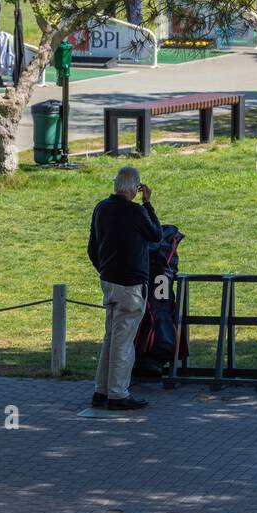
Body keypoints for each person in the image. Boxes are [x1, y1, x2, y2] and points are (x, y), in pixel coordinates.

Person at [87, 166, 162, 411]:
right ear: (135, 188)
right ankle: (117, 394)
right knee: (123, 341)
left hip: (108, 281)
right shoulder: (136, 212)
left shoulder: (101, 208)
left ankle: (101, 389)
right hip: (130, 284)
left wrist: (105, 270)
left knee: (110, 338)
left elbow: (92, 248)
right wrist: (148, 204)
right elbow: (156, 235)